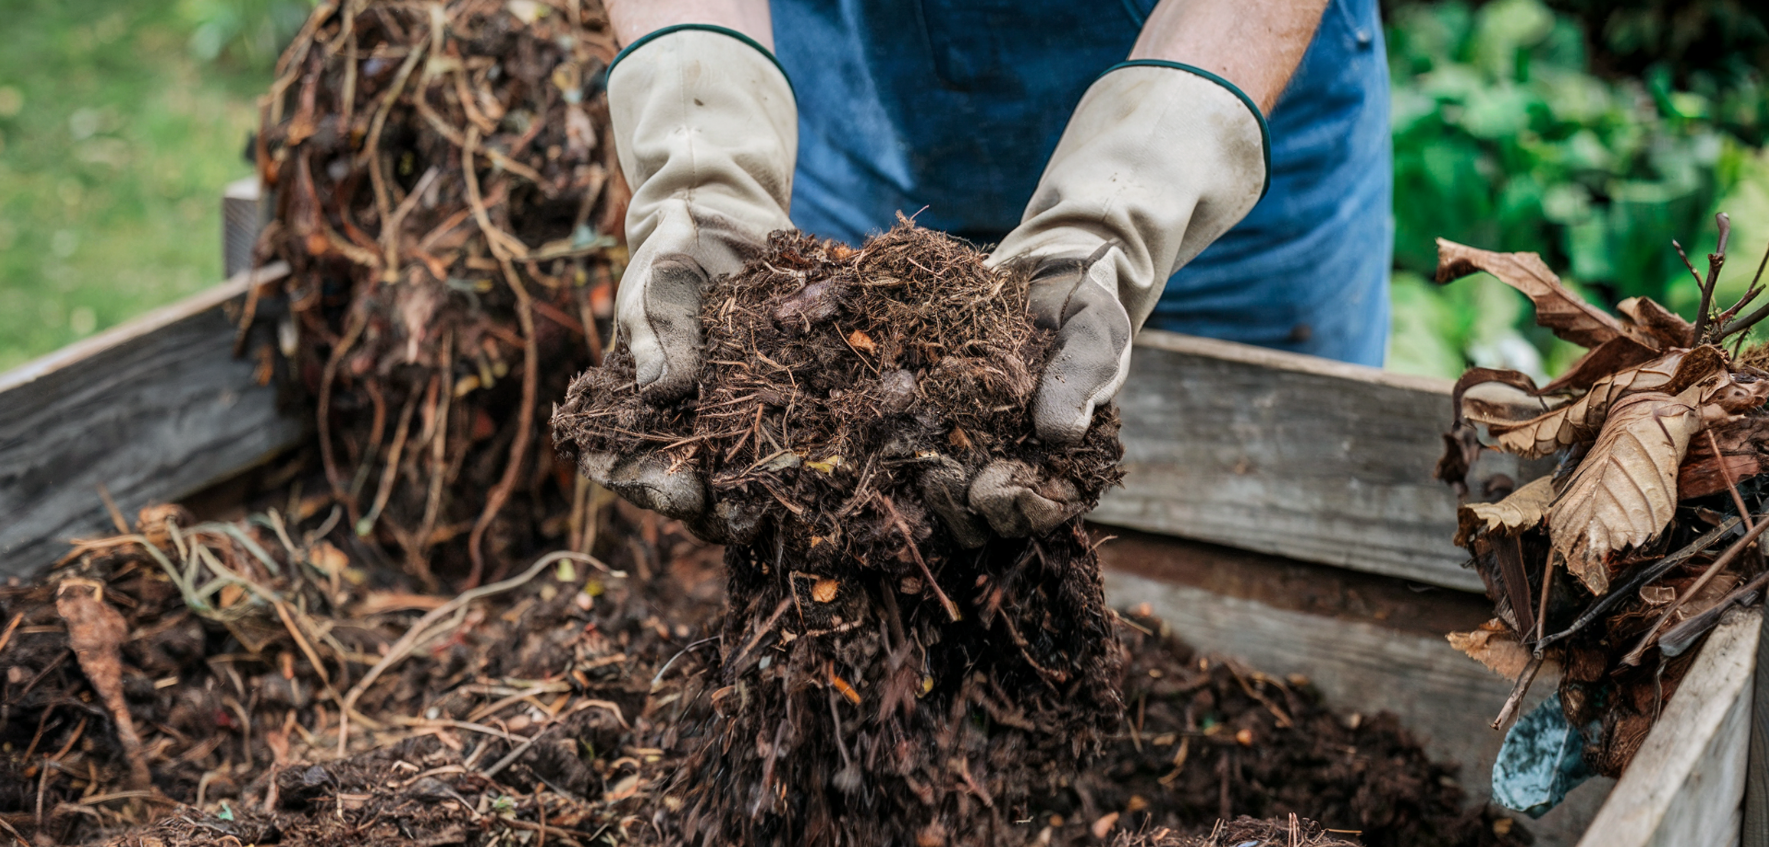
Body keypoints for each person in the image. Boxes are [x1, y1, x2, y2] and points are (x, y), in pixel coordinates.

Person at [587, 0, 1390, 533]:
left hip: (1220, 82)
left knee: (1273, 513)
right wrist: (704, 147)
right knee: (849, 508)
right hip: (852, 95)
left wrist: (1138, 188)